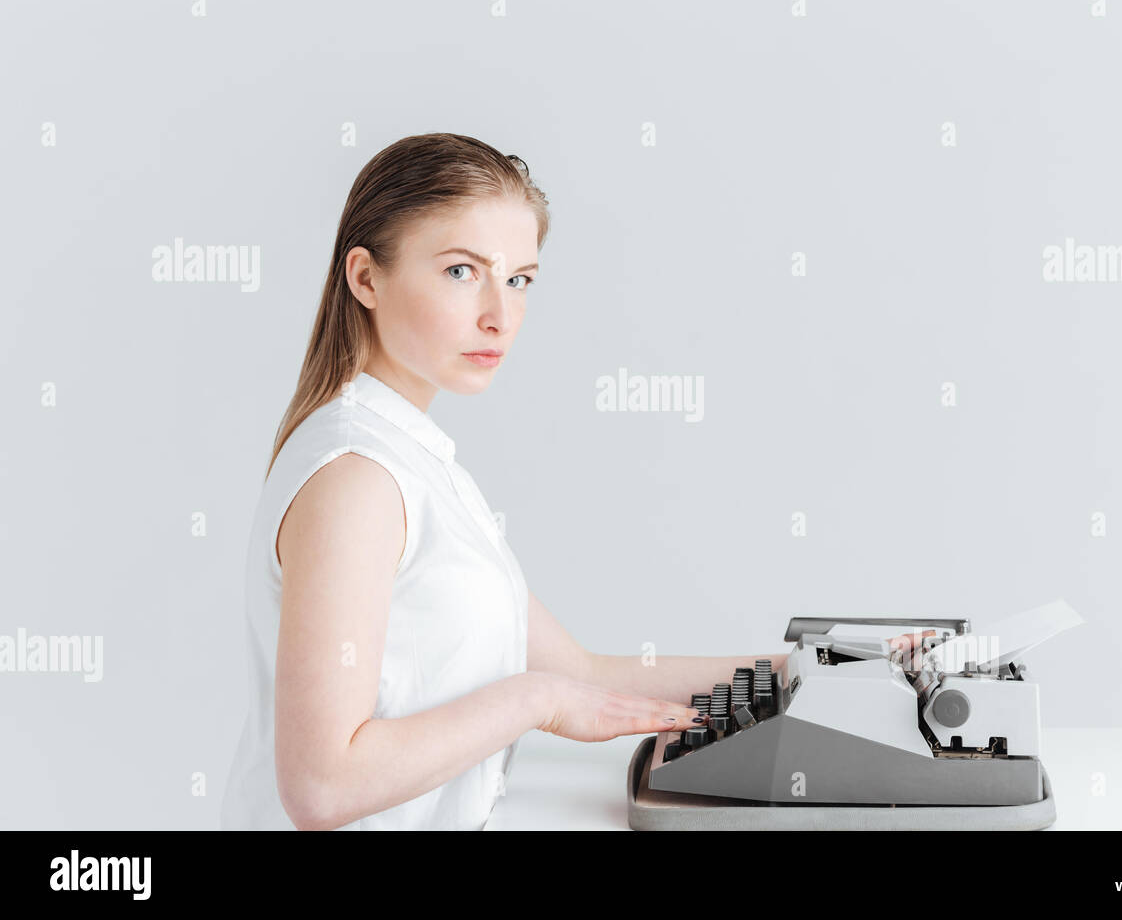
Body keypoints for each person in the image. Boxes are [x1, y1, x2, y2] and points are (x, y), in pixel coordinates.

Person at [220, 133, 930, 830]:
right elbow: (320, 787)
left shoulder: (414, 461)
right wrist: (534, 702)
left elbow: (585, 673)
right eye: (462, 271)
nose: (500, 316)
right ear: (366, 278)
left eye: (519, 279)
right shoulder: (357, 480)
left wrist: (812, 670)